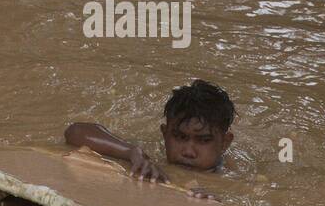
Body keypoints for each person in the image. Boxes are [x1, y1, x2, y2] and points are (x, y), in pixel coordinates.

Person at [63, 80, 235, 198]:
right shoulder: (149, 157)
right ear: (165, 133)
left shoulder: (233, 179)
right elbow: (75, 131)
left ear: (225, 143)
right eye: (179, 137)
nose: (188, 151)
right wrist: (132, 152)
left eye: (203, 140)